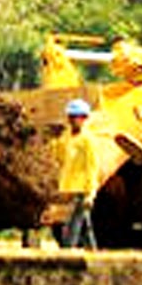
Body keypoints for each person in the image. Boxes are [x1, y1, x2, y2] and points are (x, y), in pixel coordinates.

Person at [58, 97, 100, 248]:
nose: (73, 120)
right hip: (69, 187)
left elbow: (92, 167)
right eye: (71, 117)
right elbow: (60, 158)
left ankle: (67, 250)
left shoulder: (88, 140)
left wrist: (91, 193)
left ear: (84, 119)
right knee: (85, 224)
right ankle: (92, 250)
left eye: (76, 117)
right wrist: (56, 141)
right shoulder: (67, 137)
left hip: (83, 188)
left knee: (74, 223)